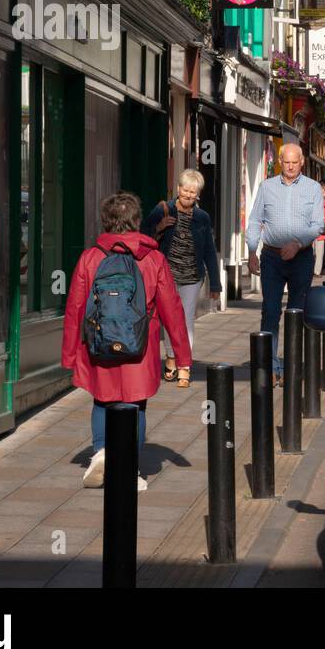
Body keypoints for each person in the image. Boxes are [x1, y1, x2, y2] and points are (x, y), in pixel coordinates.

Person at [62, 191, 192, 491]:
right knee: (136, 406)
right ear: (136, 221)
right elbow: (173, 309)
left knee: (101, 400)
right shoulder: (154, 258)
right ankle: (129, 469)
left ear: (106, 221)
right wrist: (182, 358)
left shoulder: (90, 257)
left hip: (100, 344)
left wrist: (70, 355)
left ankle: (101, 452)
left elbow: (75, 308)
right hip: (139, 345)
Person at [246, 143, 323, 385]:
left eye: (294, 162)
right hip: (271, 257)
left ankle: (291, 366)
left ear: (302, 162)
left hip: (301, 258)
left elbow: (317, 225)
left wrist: (298, 243)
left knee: (296, 313)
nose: (290, 166)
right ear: (280, 161)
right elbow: (255, 220)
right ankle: (270, 366)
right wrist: (251, 251)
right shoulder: (267, 187)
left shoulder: (313, 188)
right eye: (286, 162)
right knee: (270, 311)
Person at [141, 169, 221, 383]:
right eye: (185, 191)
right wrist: (159, 227)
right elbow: (142, 235)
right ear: (178, 189)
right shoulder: (163, 209)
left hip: (192, 276)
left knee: (186, 320)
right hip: (166, 275)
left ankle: (184, 363)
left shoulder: (202, 217)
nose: (187, 196)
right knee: (168, 318)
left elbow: (209, 251)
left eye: (192, 193)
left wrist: (216, 284)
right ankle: (170, 356)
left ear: (198, 195)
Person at [312, 182, 325, 276]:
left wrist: (322, 222)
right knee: (311, 252)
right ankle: (310, 270)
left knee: (319, 252)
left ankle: (317, 271)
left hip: (321, 232)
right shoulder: (312, 202)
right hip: (311, 231)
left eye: (322, 192)